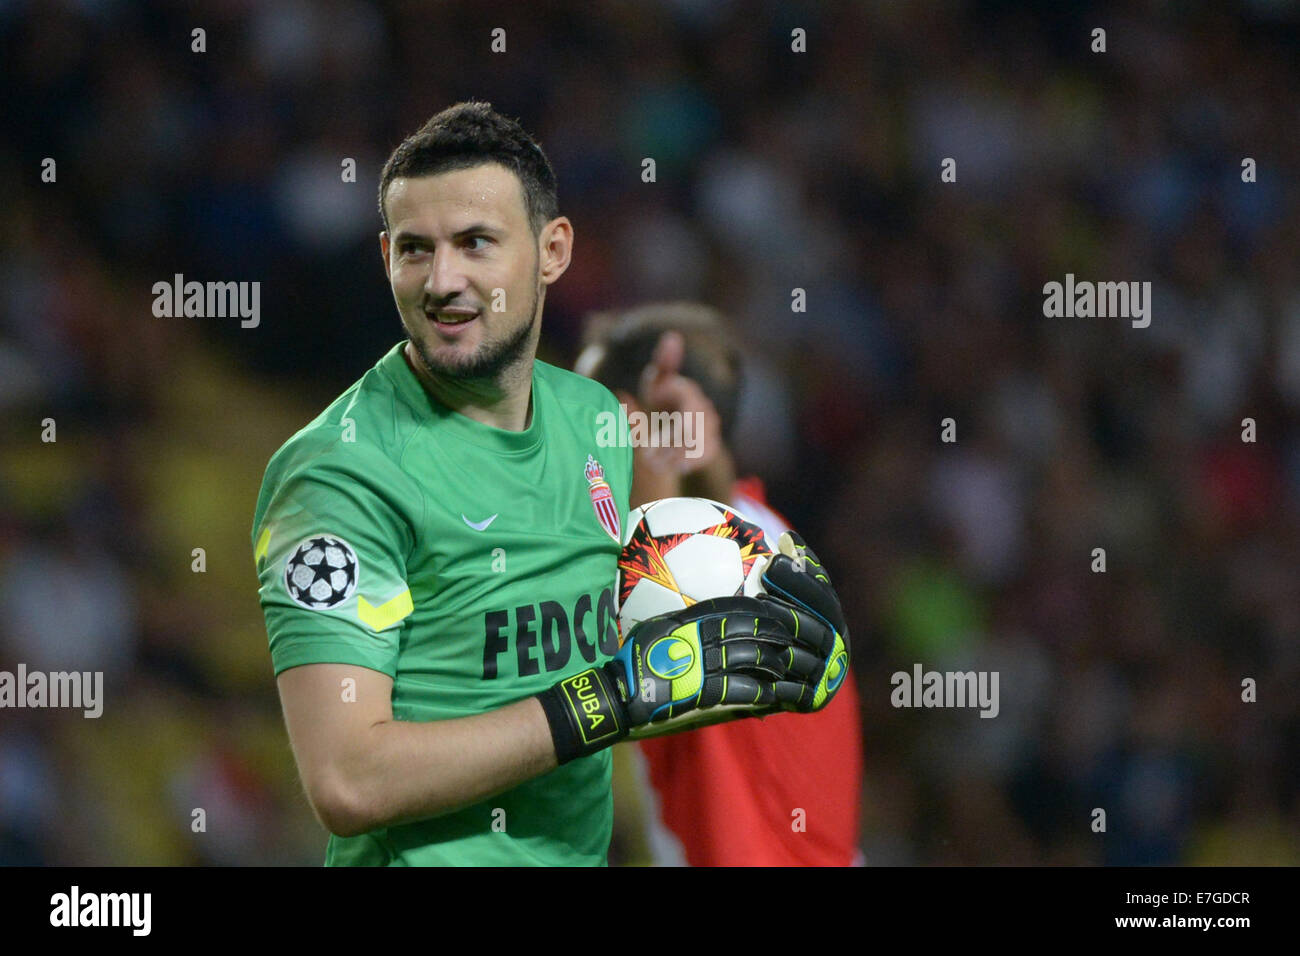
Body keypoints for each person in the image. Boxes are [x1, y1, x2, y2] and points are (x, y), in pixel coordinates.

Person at [250, 102, 850, 865]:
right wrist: (611, 700)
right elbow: (349, 780)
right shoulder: (342, 473)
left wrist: (746, 549)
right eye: (414, 250)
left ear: (551, 250)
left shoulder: (593, 418)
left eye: (475, 243)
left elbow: (668, 591)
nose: (442, 280)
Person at [576, 302, 863, 865]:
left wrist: (674, 478)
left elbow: (713, 561)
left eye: (584, 425)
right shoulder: (756, 535)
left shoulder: (744, 566)